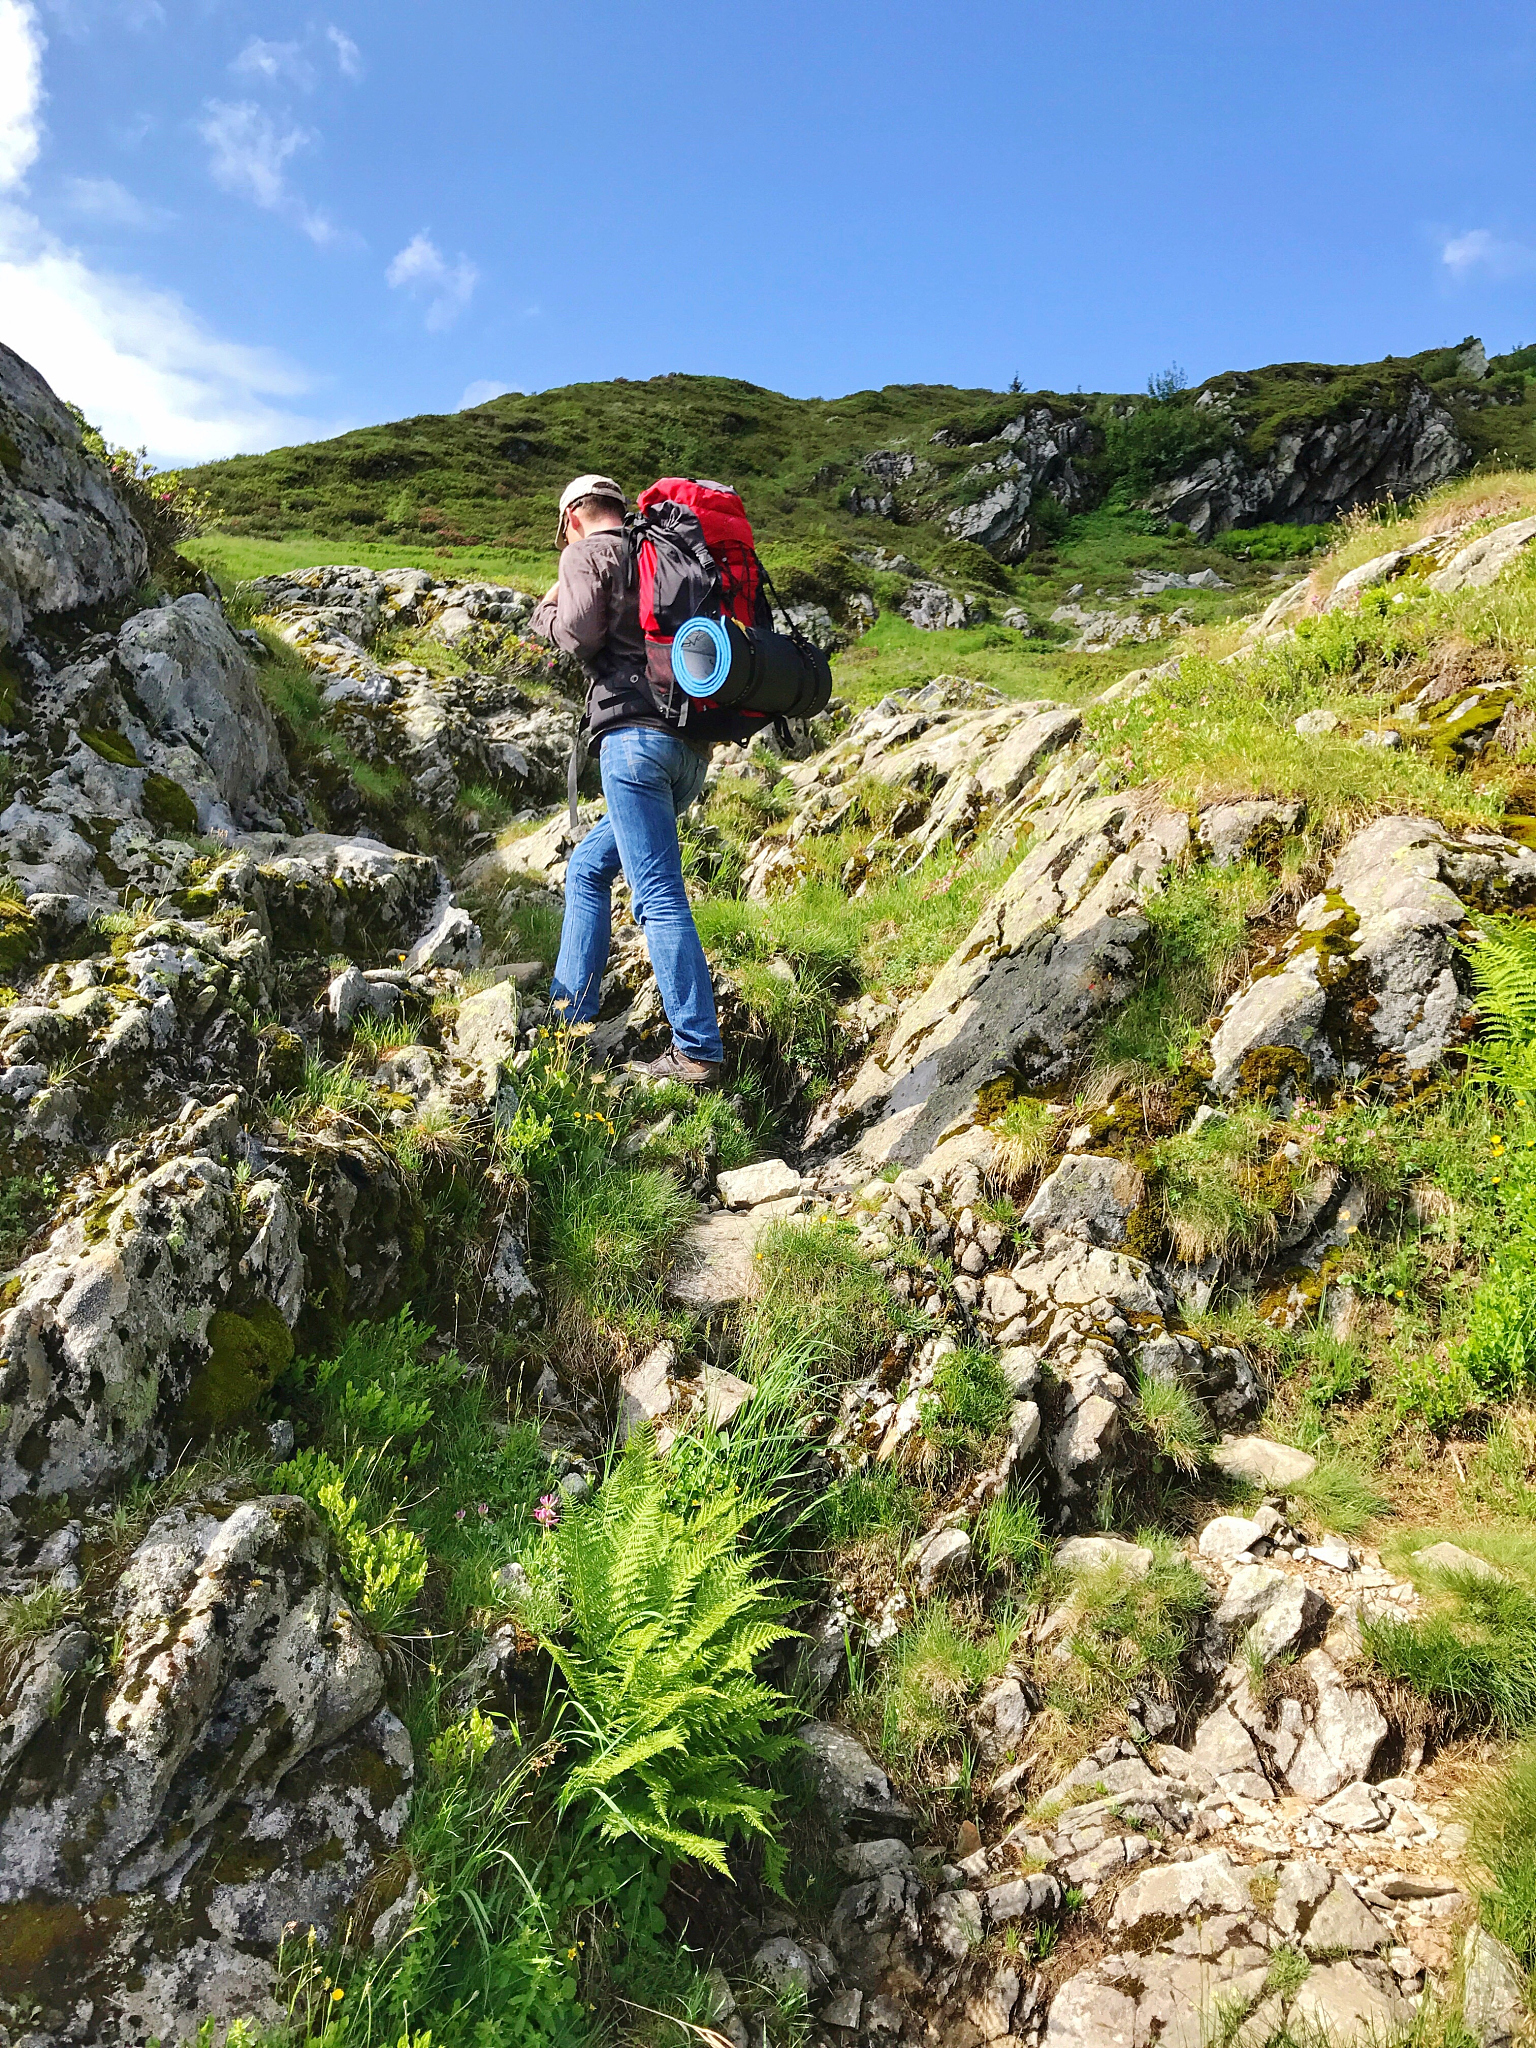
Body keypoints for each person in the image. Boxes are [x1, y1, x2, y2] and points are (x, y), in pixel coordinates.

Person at [529, 473, 723, 1086]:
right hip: (690, 751)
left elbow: (578, 634)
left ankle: (698, 1049)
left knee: (657, 894)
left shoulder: (588, 550)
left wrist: (546, 613)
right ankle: (570, 1021)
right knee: (588, 865)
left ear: (573, 518)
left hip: (635, 748)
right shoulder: (662, 548)